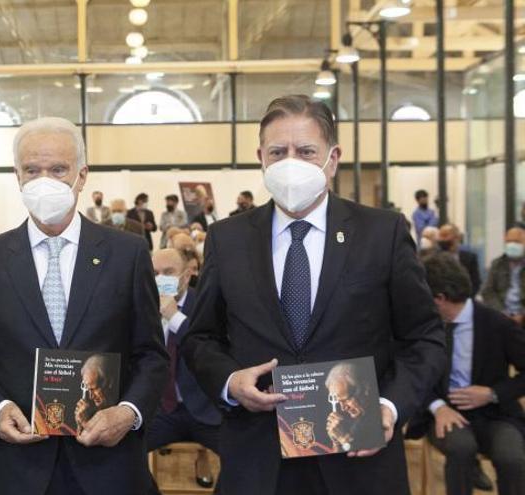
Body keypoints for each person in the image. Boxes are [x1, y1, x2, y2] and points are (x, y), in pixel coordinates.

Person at [180, 95, 446, 495]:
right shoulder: (228, 237)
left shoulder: (382, 233)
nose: (291, 163)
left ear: (332, 158)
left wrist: (389, 406)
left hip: (359, 456)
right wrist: (230, 381)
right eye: (278, 151)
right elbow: (201, 338)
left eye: (306, 151)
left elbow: (424, 337)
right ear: (261, 158)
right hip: (258, 458)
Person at [0, 117, 168, 495]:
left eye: (58, 169)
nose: (44, 180)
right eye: (32, 170)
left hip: (108, 463)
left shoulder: (127, 254)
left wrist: (128, 414)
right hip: (19, 464)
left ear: (82, 176)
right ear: (18, 176)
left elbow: (151, 355)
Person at [410, 253, 525, 495]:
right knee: (461, 448)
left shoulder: (497, 324)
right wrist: (438, 407)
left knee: (512, 456)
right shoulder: (424, 326)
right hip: (446, 413)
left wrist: (493, 394)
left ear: (439, 298)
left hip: (496, 414)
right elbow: (415, 374)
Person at [148, 248, 222, 494]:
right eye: (155, 273)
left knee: (245, 455)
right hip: (161, 411)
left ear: (186, 276)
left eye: (168, 272)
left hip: (205, 409)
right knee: (120, 453)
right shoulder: (142, 306)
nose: (161, 279)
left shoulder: (206, 303)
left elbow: (211, 350)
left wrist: (174, 316)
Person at [481, 227, 525, 326]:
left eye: (516, 241)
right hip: (501, 317)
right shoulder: (497, 264)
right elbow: (487, 291)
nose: (512, 245)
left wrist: (522, 315)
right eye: (509, 241)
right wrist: (502, 312)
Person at [438, 224, 482, 297]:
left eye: (445, 235)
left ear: (457, 238)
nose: (442, 239)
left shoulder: (470, 258)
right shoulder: (433, 257)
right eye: (441, 236)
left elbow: (475, 282)